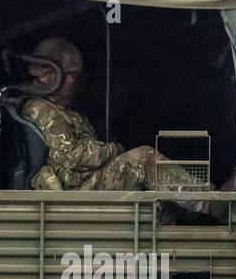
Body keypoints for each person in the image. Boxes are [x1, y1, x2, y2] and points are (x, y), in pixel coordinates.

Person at [21, 37, 197, 193]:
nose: (75, 81)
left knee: (153, 199)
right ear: (51, 75)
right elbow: (74, 157)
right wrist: (114, 150)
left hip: (86, 182)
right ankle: (209, 202)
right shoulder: (42, 110)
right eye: (71, 74)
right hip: (77, 191)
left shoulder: (61, 110)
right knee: (144, 158)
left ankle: (196, 216)